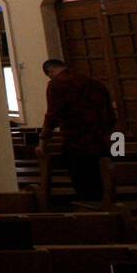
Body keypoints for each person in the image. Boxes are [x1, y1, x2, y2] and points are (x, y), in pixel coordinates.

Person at [39, 58, 116, 201]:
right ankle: (108, 214)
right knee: (102, 183)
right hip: (100, 142)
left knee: (83, 186)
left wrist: (43, 139)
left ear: (50, 71)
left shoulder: (57, 84)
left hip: (76, 142)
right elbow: (111, 117)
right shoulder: (95, 83)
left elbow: (53, 114)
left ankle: (89, 215)